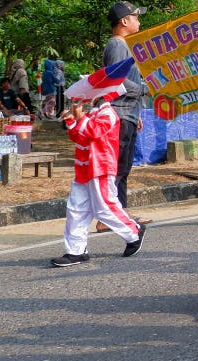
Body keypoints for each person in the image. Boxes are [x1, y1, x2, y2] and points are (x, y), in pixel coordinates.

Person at [49, 81, 146, 268]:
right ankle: (75, 251)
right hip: (84, 168)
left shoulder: (109, 113)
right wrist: (70, 120)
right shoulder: (93, 113)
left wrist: (80, 118)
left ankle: (134, 231)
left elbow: (94, 132)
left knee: (104, 208)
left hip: (100, 167)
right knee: (76, 209)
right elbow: (79, 136)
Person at [103, 1, 149, 213]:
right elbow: (114, 79)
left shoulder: (125, 45)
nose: (138, 21)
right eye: (136, 17)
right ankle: (108, 216)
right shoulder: (116, 45)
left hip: (129, 113)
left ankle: (121, 214)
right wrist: (145, 90)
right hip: (119, 115)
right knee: (117, 168)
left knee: (124, 167)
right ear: (124, 21)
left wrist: (136, 111)